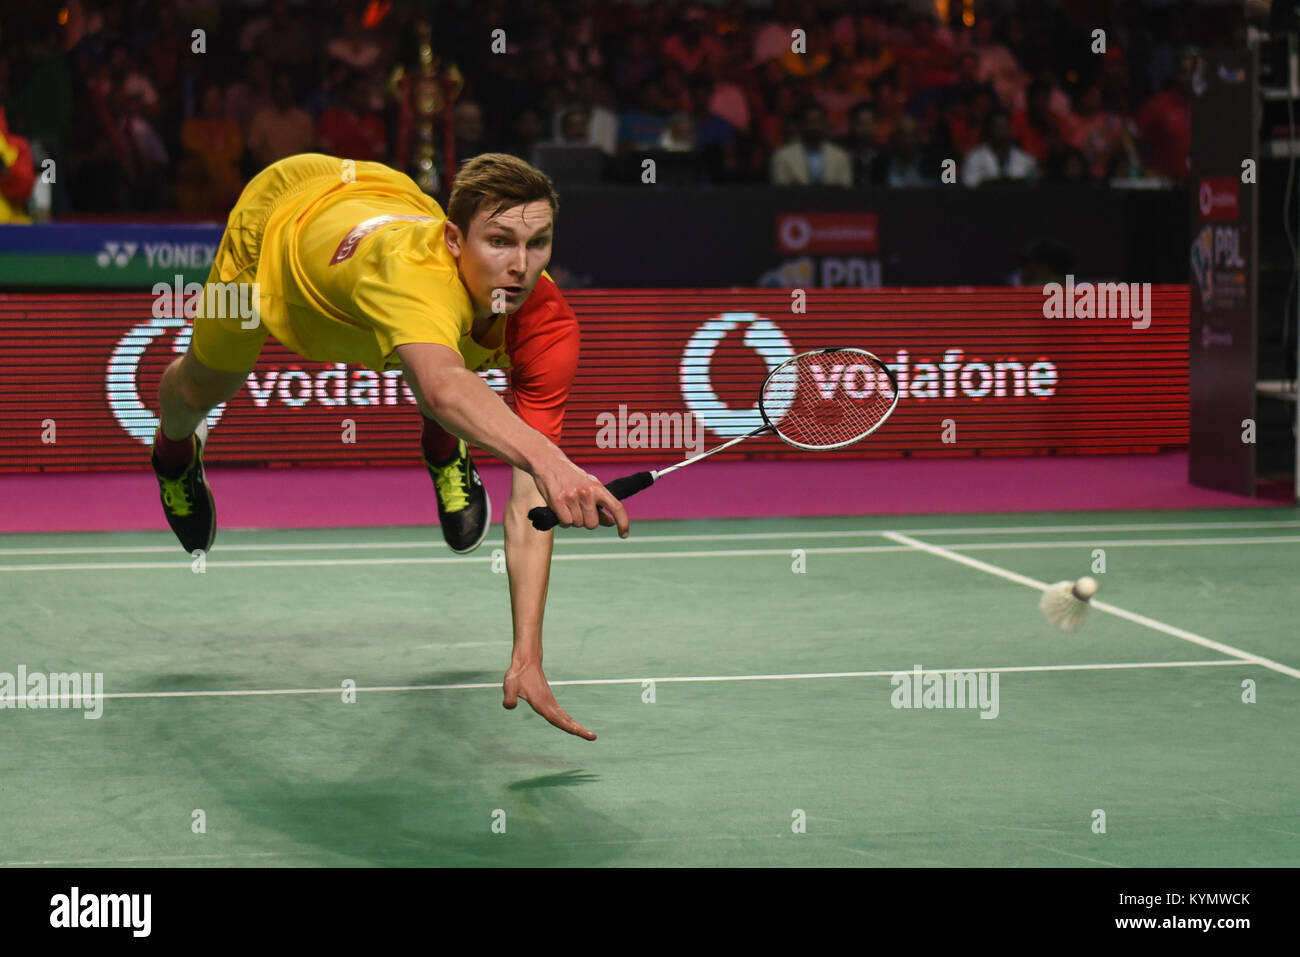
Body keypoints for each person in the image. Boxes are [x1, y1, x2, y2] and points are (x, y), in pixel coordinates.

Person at [150, 152, 630, 740]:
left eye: (538, 244)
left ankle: (443, 445)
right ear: (454, 240)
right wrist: (554, 460)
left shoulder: (549, 324)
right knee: (207, 380)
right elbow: (444, 386)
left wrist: (527, 656)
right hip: (273, 227)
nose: (520, 267)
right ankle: (172, 454)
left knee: (449, 352)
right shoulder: (412, 273)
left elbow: (532, 507)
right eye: (500, 242)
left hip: (388, 195)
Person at [770, 103, 853, 186]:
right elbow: (781, 190)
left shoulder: (841, 156)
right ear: (800, 125)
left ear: (825, 124)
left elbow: (846, 188)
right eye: (809, 122)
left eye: (818, 121)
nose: (814, 127)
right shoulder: (782, 156)